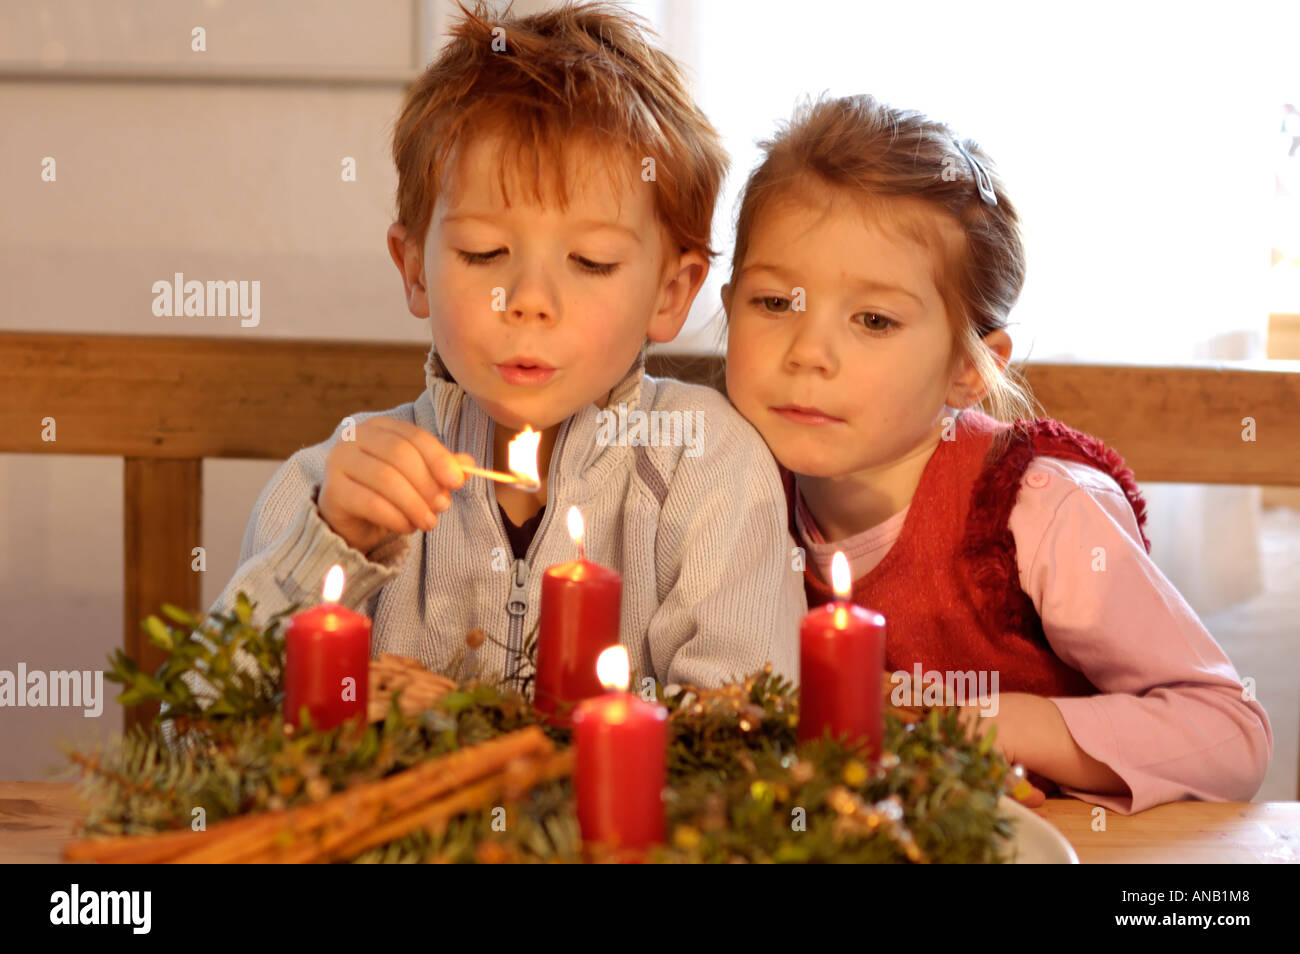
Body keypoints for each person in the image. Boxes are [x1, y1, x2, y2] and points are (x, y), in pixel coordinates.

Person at [200, 2, 803, 702]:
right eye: (483, 253)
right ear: (415, 269)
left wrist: (480, 732)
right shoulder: (334, 485)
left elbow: (746, 739)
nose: (528, 300)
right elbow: (197, 729)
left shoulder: (709, 469)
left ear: (671, 292)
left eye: (592, 260)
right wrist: (333, 544)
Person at [721, 93, 1272, 813]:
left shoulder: (1039, 513)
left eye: (874, 320)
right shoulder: (723, 485)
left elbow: (1232, 735)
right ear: (729, 306)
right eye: (775, 303)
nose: (808, 353)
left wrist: (1015, 724)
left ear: (969, 367)